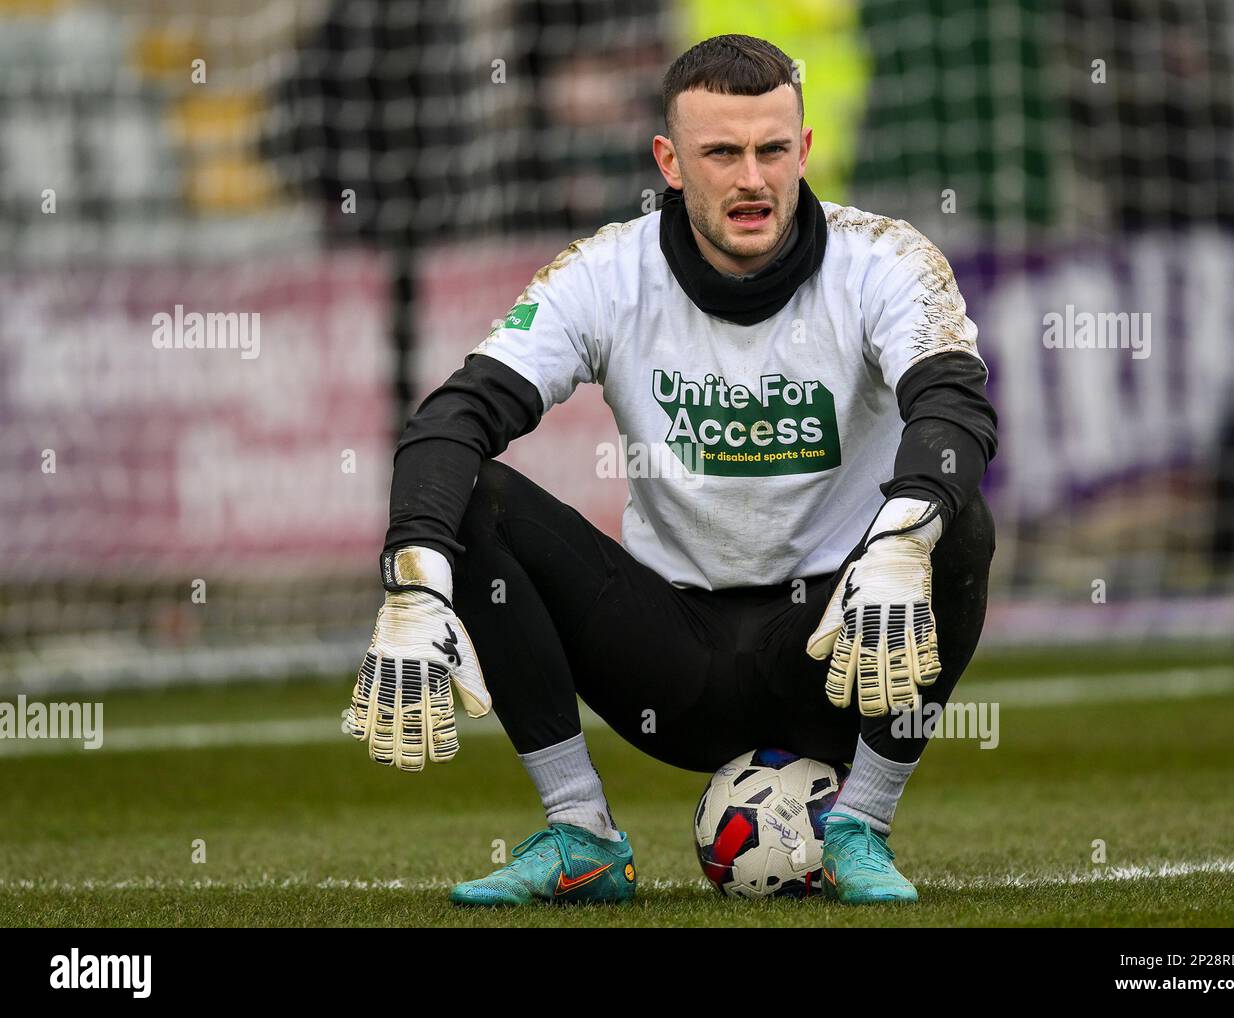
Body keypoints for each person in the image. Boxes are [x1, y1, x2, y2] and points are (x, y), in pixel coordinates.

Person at [345, 34, 997, 906]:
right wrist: (414, 581)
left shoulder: (885, 260)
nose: (752, 180)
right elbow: (449, 420)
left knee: (956, 520)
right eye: (720, 153)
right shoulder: (607, 272)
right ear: (671, 161)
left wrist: (900, 542)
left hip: (835, 653)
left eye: (772, 150)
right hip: (668, 663)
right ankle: (581, 836)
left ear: (804, 150)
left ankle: (859, 827)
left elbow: (955, 408)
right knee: (467, 496)